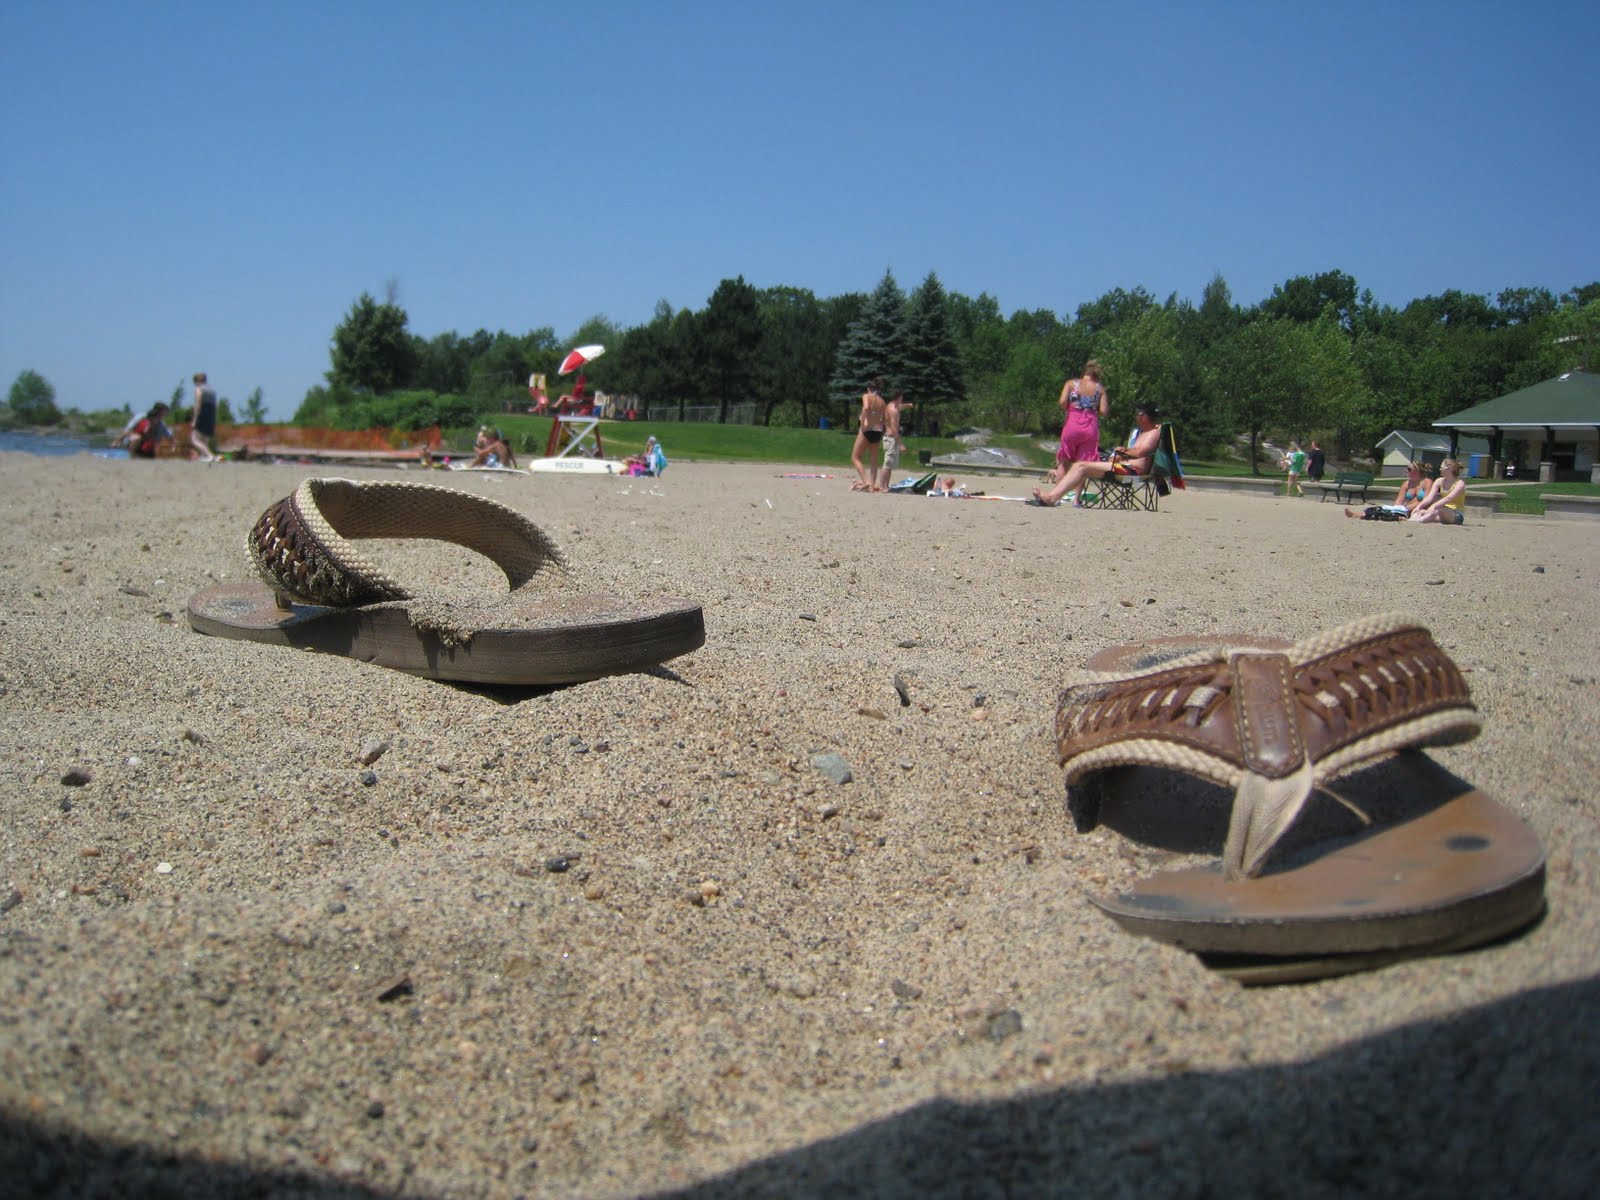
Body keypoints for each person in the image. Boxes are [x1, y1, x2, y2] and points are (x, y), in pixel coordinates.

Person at [1032, 402, 1163, 507]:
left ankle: (1052, 497)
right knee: (1079, 466)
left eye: (1138, 414)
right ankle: (1054, 496)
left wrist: (1120, 451)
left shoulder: (1153, 433)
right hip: (1122, 468)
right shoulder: (1141, 432)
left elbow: (1139, 453)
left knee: (1082, 466)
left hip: (1132, 473)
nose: (1136, 416)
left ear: (1145, 416)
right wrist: (1118, 454)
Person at [1055, 361, 1108, 491]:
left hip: (1072, 424)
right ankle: (1076, 500)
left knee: (1064, 461)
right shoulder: (1100, 389)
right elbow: (1104, 411)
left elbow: (1062, 402)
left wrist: (1071, 407)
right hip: (1090, 427)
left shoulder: (1071, 384)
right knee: (1082, 465)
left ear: (1084, 371)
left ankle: (1057, 494)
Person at [1345, 461, 1430, 520]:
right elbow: (1398, 501)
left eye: (1409, 469)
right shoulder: (1406, 484)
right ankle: (1360, 515)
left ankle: (1358, 515)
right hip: (1405, 509)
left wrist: (1413, 506)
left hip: (1417, 510)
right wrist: (1397, 508)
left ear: (1417, 471)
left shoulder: (1426, 482)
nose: (1406, 471)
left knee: (1386, 515)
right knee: (1381, 510)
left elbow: (1427, 500)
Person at [851, 378, 887, 491]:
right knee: (873, 460)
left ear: (868, 389)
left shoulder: (866, 396)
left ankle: (865, 481)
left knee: (855, 457)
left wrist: (863, 423)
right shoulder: (882, 401)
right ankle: (871, 486)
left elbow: (866, 407)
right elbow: (885, 418)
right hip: (877, 430)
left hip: (867, 429)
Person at [1409, 458, 1467, 524]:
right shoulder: (1439, 481)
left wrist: (1434, 506)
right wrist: (1419, 506)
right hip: (1441, 512)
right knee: (1420, 512)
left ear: (1449, 468)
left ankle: (1420, 521)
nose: (1440, 469)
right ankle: (1411, 521)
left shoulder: (1460, 483)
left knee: (1438, 509)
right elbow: (1429, 498)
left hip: (1456, 515)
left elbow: (1448, 498)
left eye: (1441, 467)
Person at [876, 391, 912, 492]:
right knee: (887, 464)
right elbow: (894, 428)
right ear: (898, 397)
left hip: (891, 438)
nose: (902, 400)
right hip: (890, 438)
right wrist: (900, 444)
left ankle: (886, 485)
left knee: (890, 464)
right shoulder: (893, 410)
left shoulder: (892, 406)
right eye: (901, 398)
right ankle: (882, 486)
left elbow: (900, 406)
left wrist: (908, 405)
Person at [189, 372, 218, 461]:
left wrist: (194, 419)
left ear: (196, 381)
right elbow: (215, 406)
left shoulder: (199, 389)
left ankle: (210, 455)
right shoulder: (212, 391)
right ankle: (205, 457)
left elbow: (197, 404)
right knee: (205, 440)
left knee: (194, 439)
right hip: (211, 416)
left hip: (202, 415)